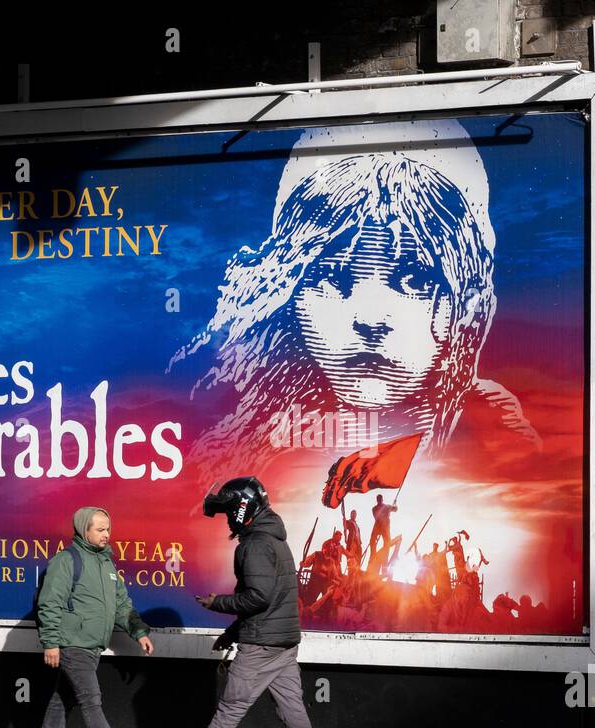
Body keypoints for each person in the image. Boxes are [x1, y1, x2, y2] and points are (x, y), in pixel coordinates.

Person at [168, 119, 543, 493]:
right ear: (288, 296)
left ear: (465, 300)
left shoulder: (492, 424)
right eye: (332, 277)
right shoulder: (242, 433)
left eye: (414, 280)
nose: (371, 320)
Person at [156, 477, 335, 728]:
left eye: (227, 513)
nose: (226, 519)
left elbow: (258, 598)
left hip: (261, 645)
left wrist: (217, 603)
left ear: (241, 509)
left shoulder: (253, 545)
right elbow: (270, 599)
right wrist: (230, 634)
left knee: (230, 708)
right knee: (294, 711)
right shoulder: (274, 540)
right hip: (282, 642)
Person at [32, 506, 154, 728]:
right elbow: (49, 603)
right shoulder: (66, 561)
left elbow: (122, 604)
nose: (106, 534)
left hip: (90, 645)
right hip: (73, 643)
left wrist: (139, 632)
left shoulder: (106, 564)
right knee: (90, 699)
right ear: (83, 530)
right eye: (100, 529)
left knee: (61, 698)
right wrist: (51, 643)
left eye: (108, 529)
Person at [368, 494, 397, 560]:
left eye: (379, 499)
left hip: (382, 526)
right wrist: (394, 505)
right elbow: (395, 509)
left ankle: (378, 555)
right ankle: (373, 555)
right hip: (380, 526)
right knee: (373, 540)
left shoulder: (384, 507)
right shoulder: (382, 507)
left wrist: (394, 504)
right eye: (379, 499)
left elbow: (395, 509)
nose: (379, 500)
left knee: (384, 542)